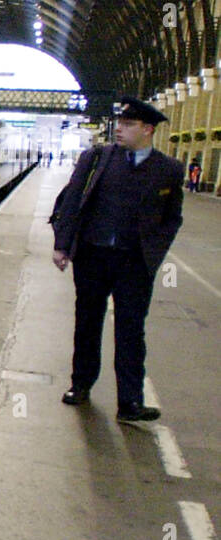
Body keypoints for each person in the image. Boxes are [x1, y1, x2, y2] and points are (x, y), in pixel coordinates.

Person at [50, 96, 184, 422]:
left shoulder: (168, 170)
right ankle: (80, 385)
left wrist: (153, 252)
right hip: (93, 257)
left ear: (148, 130)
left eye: (128, 125)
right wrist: (62, 245)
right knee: (87, 323)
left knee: (131, 331)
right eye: (119, 124)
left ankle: (130, 402)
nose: (120, 130)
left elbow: (172, 218)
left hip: (134, 264)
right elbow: (70, 203)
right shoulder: (96, 158)